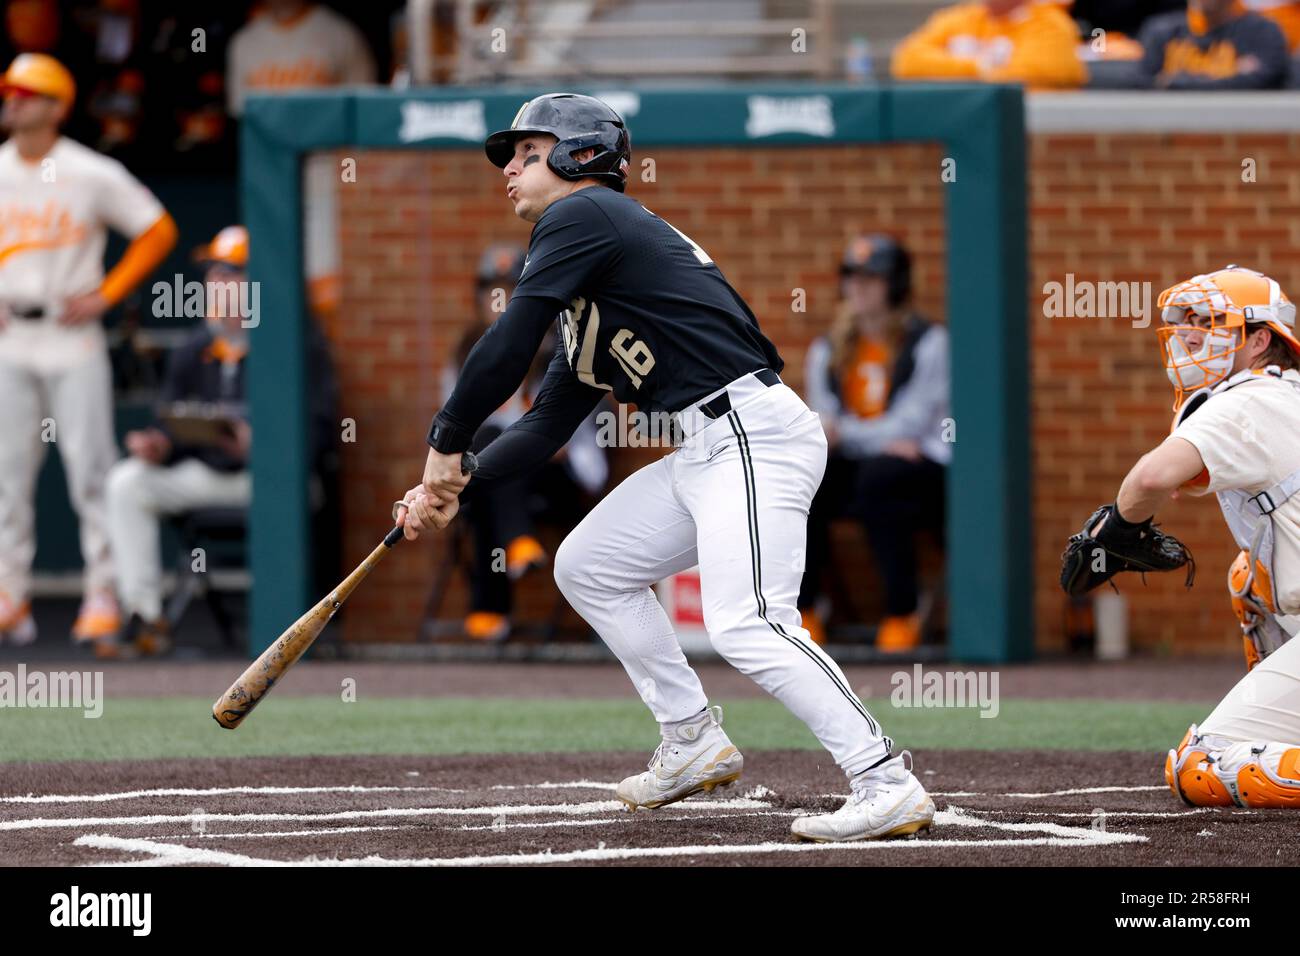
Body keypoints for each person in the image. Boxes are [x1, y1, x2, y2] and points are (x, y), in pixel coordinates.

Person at [397, 93, 936, 842]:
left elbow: (509, 340)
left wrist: (445, 441)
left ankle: (885, 780)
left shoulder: (584, 215)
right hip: (707, 445)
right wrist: (452, 484)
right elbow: (548, 421)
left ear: (579, 153)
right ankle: (691, 739)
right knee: (589, 565)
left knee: (747, 622)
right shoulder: (590, 282)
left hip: (752, 432)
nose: (510, 171)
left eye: (526, 152)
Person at [1078, 266, 1300, 808]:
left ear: (1260, 340)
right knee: (1249, 576)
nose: (1190, 332)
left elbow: (1151, 478)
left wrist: (1120, 529)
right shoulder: (1278, 396)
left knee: (1199, 764)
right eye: (1186, 321)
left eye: (1209, 320)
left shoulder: (1249, 398)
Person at [0, 53, 178, 650]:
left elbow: (157, 228)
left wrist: (108, 293)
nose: (14, 100)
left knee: (91, 470)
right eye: (10, 91)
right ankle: (9, 595)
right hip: (11, 334)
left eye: (27, 92)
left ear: (56, 105)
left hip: (71, 334)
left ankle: (103, 594)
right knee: (8, 473)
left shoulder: (87, 170)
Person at [104, 225, 337, 657]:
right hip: (209, 473)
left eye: (231, 271)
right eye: (214, 271)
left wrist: (267, 444)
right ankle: (145, 616)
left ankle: (287, 628)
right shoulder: (195, 346)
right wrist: (160, 444)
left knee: (290, 488)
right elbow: (171, 421)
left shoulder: (297, 344)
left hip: (272, 479)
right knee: (126, 482)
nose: (217, 281)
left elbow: (324, 429)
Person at [444, 243, 608, 641]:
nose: (498, 302)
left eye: (510, 292)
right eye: (491, 292)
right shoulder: (467, 355)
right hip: (498, 475)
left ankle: (488, 606)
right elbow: (451, 430)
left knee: (495, 459)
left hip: (560, 475)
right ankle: (516, 542)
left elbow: (581, 448)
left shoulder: (565, 345)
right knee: (485, 461)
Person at [800, 235, 950, 652]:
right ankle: (806, 610)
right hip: (864, 464)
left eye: (873, 278)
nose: (859, 288)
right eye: (852, 277)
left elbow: (911, 422)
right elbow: (822, 422)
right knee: (804, 479)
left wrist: (847, 435)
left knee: (881, 476)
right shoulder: (826, 349)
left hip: (923, 471)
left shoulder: (928, 342)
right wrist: (854, 437)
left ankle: (902, 612)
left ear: (896, 285)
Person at [891, 0, 1088, 89]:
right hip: (965, 121)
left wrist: (948, 70)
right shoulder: (960, 18)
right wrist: (979, 67)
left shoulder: (1052, 23)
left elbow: (1036, 72)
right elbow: (907, 60)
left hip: (1032, 133)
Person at [1138, 0, 1291, 88]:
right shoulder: (1162, 31)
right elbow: (1142, 84)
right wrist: (1233, 73)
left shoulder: (1262, 31)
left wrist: (1174, 81)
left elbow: (1264, 81)